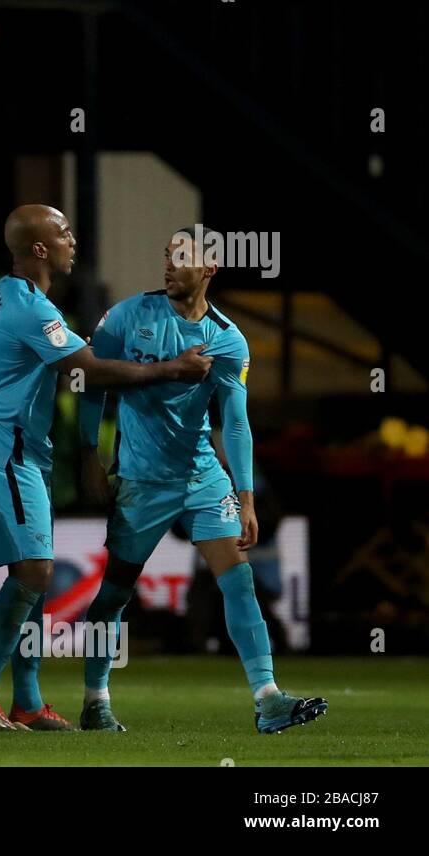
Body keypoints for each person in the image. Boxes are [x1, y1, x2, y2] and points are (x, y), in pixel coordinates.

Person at [0, 205, 212, 732]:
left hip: (19, 448)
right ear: (41, 250)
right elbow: (86, 371)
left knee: (34, 576)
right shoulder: (29, 308)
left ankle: (27, 700)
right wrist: (170, 368)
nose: (75, 239)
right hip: (3, 447)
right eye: (65, 232)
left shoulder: (6, 293)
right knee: (33, 572)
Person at [76, 228, 327, 733]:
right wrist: (88, 452)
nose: (169, 266)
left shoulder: (227, 339)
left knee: (239, 580)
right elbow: (88, 378)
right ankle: (95, 700)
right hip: (140, 480)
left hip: (202, 478)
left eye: (182, 258)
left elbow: (235, 423)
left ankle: (268, 698)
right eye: (166, 256)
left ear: (210, 269)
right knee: (114, 595)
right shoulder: (127, 316)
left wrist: (247, 497)